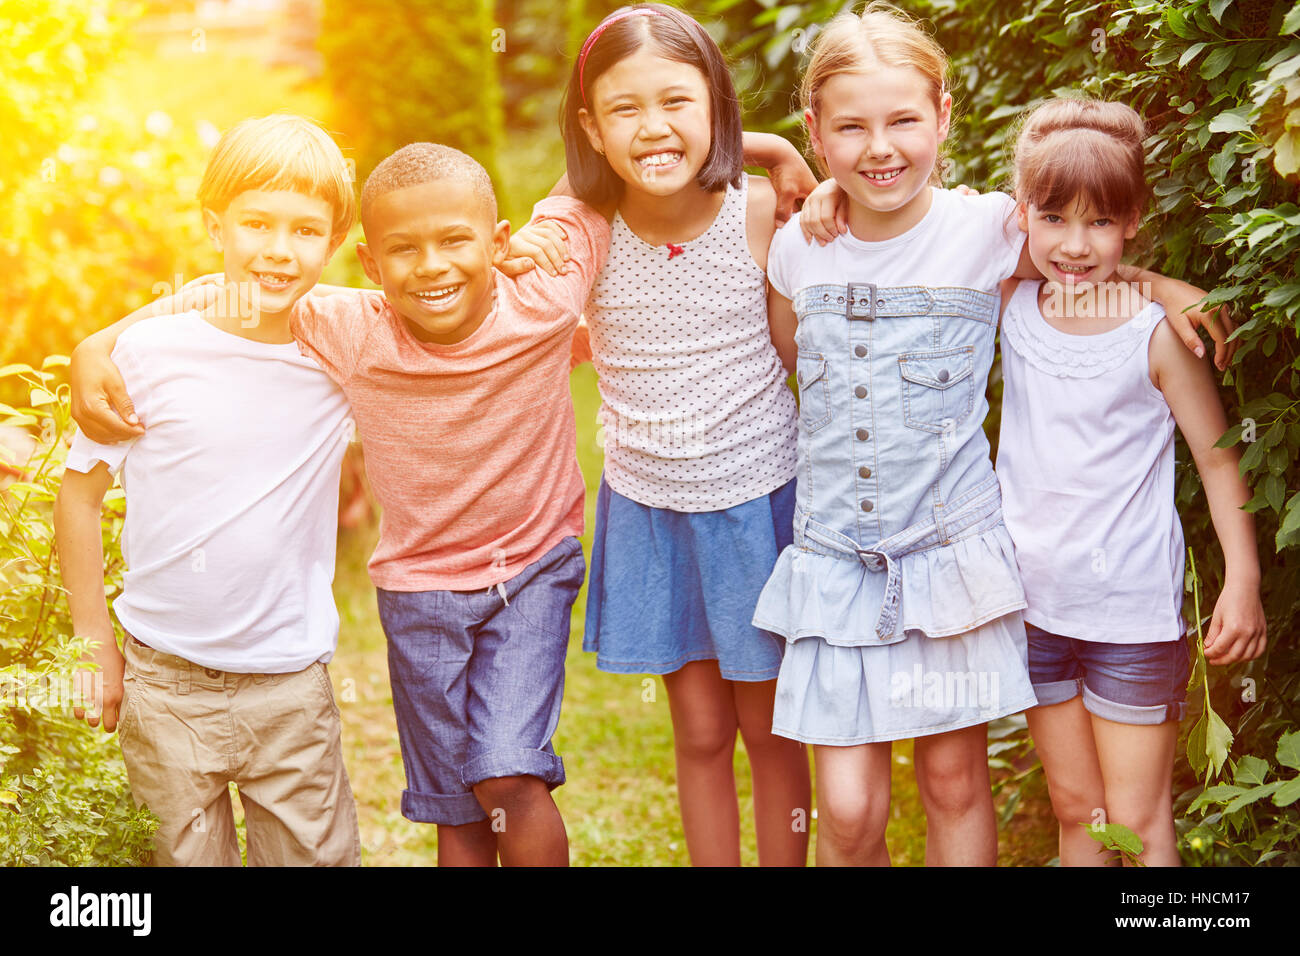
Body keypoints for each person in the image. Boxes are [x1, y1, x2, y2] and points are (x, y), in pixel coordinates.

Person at [759, 2, 1235, 866]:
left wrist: (1166, 288)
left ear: (943, 117)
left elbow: (1083, 248)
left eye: (904, 119)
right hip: (836, 563)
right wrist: (793, 170)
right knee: (851, 808)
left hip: (949, 560)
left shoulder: (984, 232)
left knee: (951, 784)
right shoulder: (798, 247)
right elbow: (793, 357)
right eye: (852, 128)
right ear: (815, 131)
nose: (880, 147)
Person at [70, 141, 610, 867]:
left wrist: (754, 148)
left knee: (502, 774)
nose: (434, 266)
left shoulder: (509, 298)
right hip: (371, 608)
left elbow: (600, 158)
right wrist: (98, 343)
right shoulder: (337, 332)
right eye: (258, 224)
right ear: (370, 264)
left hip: (474, 597)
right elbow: (214, 298)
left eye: (303, 231)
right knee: (454, 804)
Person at [540, 3, 813, 866]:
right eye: (624, 109)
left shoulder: (760, 213)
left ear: (716, 106)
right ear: (590, 126)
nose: (653, 128)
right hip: (652, 507)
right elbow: (563, 204)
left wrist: (770, 152)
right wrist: (770, 140)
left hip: (758, 499)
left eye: (676, 103)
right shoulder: (581, 228)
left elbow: (799, 356)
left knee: (770, 728)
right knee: (698, 732)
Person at [55, 114, 361, 866]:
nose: (279, 250)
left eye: (306, 230)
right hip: (164, 684)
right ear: (213, 223)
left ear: (336, 241)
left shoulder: (347, 352)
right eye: (256, 223)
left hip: (290, 684)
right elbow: (79, 498)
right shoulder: (149, 353)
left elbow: (447, 312)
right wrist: (94, 644)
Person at [997, 96, 1266, 865]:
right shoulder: (1012, 306)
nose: (1075, 245)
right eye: (1053, 218)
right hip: (1029, 604)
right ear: (1023, 216)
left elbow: (1218, 456)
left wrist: (1241, 579)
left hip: (1129, 615)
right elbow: (921, 249)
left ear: (1134, 219)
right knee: (1078, 810)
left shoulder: (1157, 336)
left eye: (1100, 222)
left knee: (1140, 823)